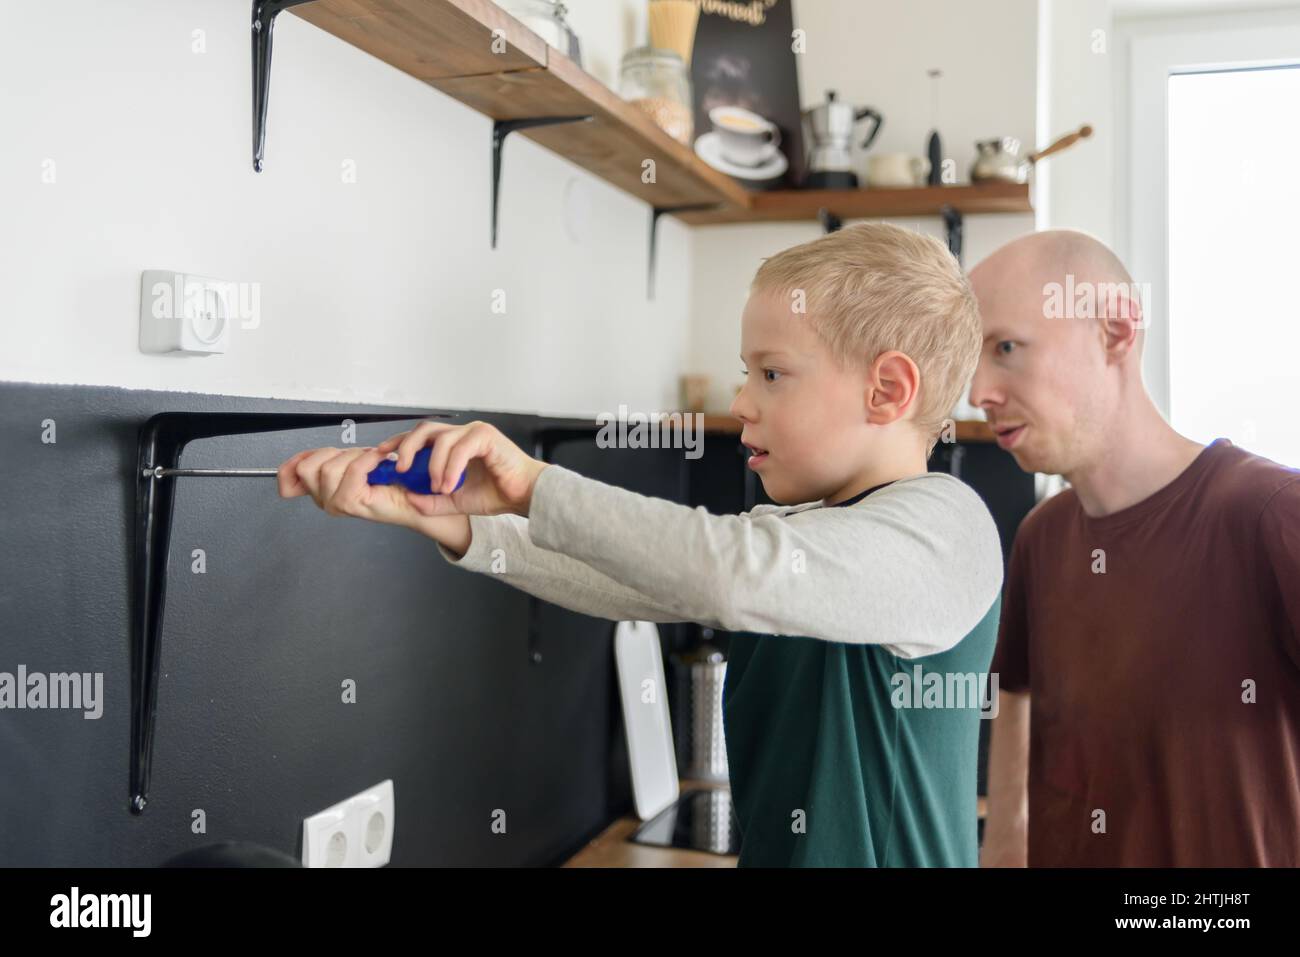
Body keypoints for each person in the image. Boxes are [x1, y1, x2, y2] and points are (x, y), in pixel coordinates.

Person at [277, 223, 1004, 867]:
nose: (743, 400)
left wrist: (534, 483)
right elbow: (624, 579)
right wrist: (448, 519)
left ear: (888, 390)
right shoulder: (800, 533)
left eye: (773, 373)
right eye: (746, 372)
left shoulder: (949, 527)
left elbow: (732, 575)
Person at [970, 229, 1300, 867]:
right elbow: (1018, 698)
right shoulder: (1041, 538)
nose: (980, 392)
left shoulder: (1269, 515)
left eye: (1006, 347)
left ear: (1115, 333)